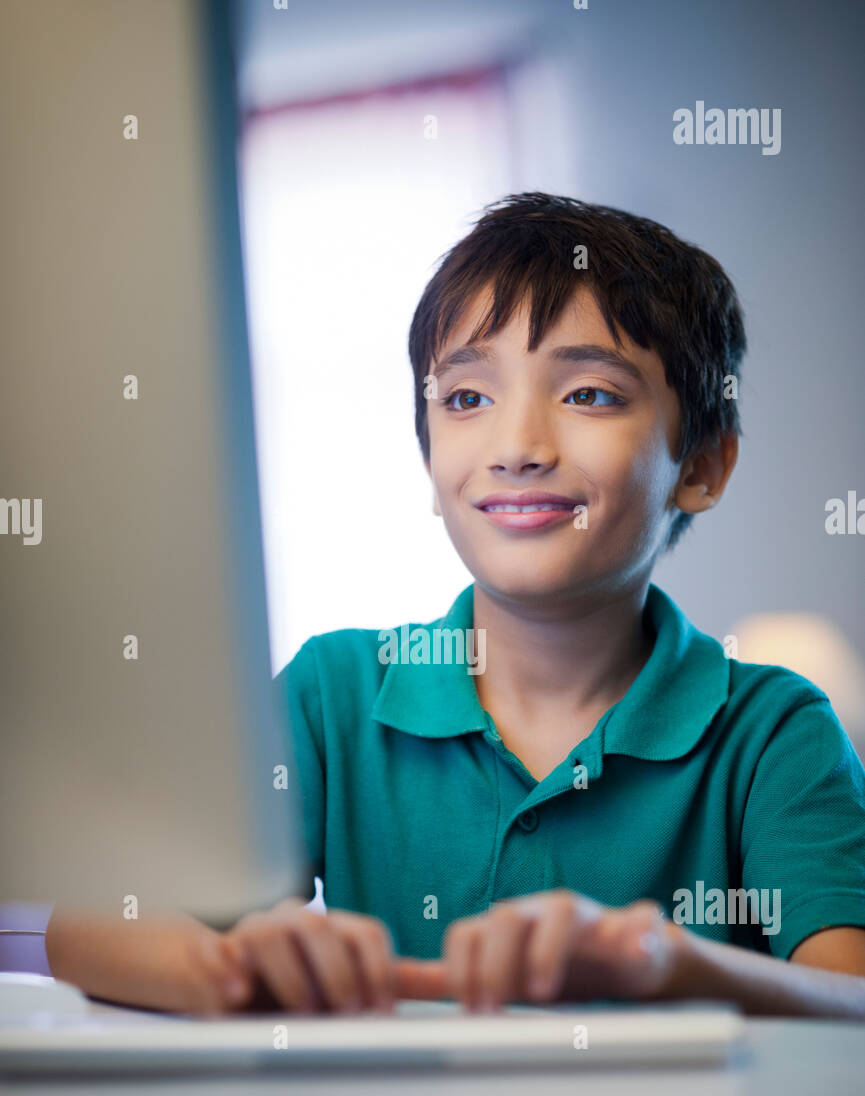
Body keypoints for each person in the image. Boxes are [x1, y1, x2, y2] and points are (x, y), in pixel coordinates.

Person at [47, 194, 865, 1018]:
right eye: (467, 399)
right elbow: (87, 929)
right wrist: (235, 964)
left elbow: (850, 997)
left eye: (586, 395)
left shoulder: (773, 731)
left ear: (702, 468)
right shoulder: (335, 694)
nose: (517, 449)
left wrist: (676, 967)